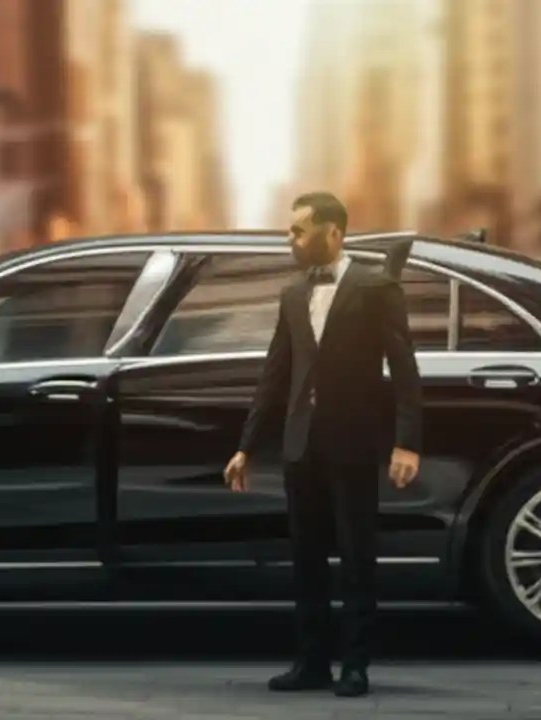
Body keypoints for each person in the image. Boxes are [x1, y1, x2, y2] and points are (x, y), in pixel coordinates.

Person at [223, 192, 422, 698]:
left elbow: (404, 369)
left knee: (357, 557)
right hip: (300, 443)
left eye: (299, 230)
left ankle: (355, 665)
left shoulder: (376, 288)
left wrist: (407, 443)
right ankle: (311, 663)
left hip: (353, 441)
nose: (289, 239)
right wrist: (247, 446)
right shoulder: (292, 294)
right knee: (306, 558)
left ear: (333, 233)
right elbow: (275, 372)